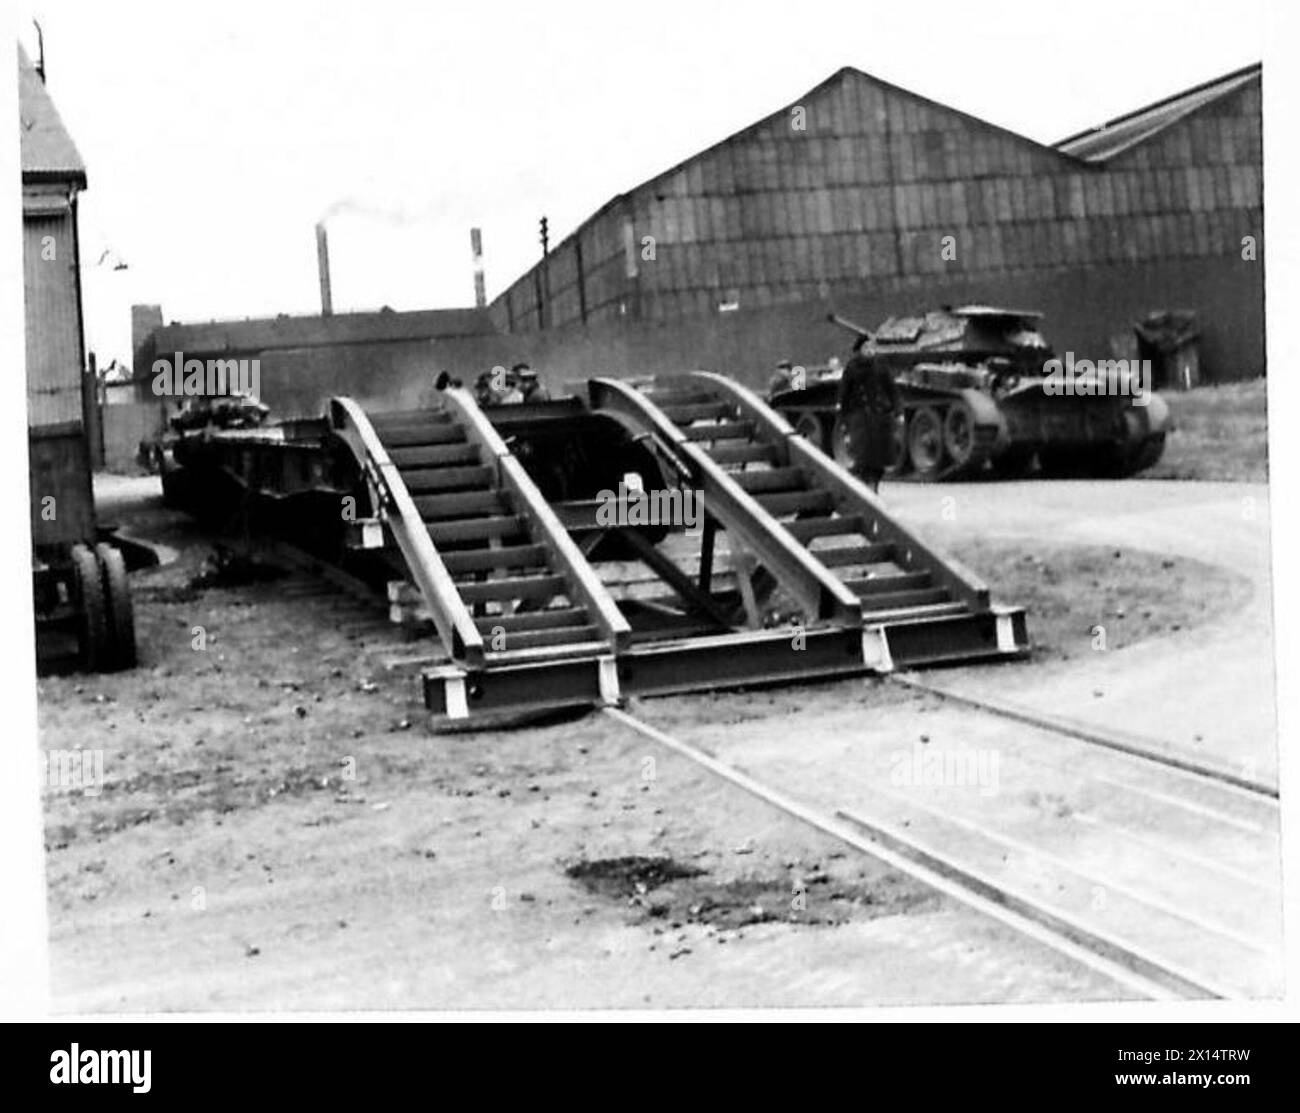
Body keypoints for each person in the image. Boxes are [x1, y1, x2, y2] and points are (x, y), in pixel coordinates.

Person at [836, 337, 900, 494]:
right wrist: (843, 416)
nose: (870, 350)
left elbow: (891, 389)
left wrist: (898, 410)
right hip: (860, 418)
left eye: (872, 347)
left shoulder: (880, 365)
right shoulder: (852, 367)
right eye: (866, 347)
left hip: (879, 416)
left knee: (880, 455)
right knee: (863, 455)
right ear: (860, 350)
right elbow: (844, 391)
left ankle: (874, 485)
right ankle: (867, 488)